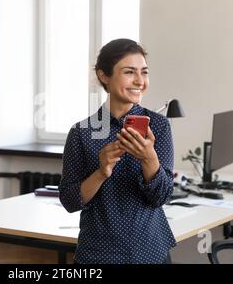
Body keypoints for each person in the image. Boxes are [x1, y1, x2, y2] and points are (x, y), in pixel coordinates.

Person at [59, 38, 176, 264]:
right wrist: (101, 172)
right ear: (104, 76)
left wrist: (149, 158)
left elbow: (162, 196)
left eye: (144, 72)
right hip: (97, 254)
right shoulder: (82, 132)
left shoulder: (159, 126)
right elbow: (70, 201)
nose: (140, 81)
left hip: (150, 251)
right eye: (129, 72)